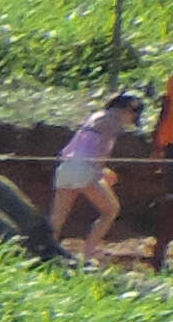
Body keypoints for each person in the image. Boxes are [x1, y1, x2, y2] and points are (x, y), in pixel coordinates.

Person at [55, 88, 148, 256]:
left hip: (66, 166)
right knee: (110, 211)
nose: (130, 122)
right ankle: (87, 256)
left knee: (58, 216)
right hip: (85, 169)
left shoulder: (95, 116)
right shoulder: (113, 122)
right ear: (128, 110)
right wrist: (99, 171)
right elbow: (103, 148)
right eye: (133, 117)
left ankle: (44, 251)